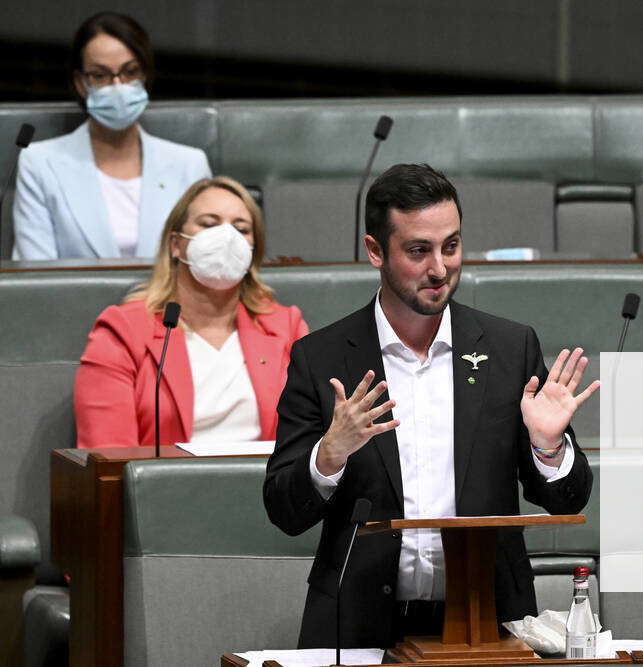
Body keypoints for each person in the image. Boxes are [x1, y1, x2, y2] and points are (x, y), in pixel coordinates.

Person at [263, 163, 598, 649]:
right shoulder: (322, 357)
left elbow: (569, 498)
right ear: (375, 250)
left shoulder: (509, 349)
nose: (440, 268)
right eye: (418, 251)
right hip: (357, 625)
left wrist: (548, 447)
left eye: (451, 246)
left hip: (488, 621)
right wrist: (328, 455)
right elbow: (283, 511)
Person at [74, 176, 307, 448]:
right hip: (163, 488)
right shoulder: (123, 330)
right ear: (175, 243)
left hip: (268, 487)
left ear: (253, 249)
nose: (227, 237)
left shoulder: (285, 326)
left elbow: (311, 440)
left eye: (241, 228)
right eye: (208, 224)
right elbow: (108, 457)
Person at [13, 12, 211, 260]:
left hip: (169, 300)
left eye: (130, 72)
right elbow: (36, 277)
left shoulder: (189, 165)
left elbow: (203, 264)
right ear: (79, 82)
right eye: (100, 75)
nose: (118, 86)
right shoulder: (40, 163)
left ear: (145, 75)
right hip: (73, 300)